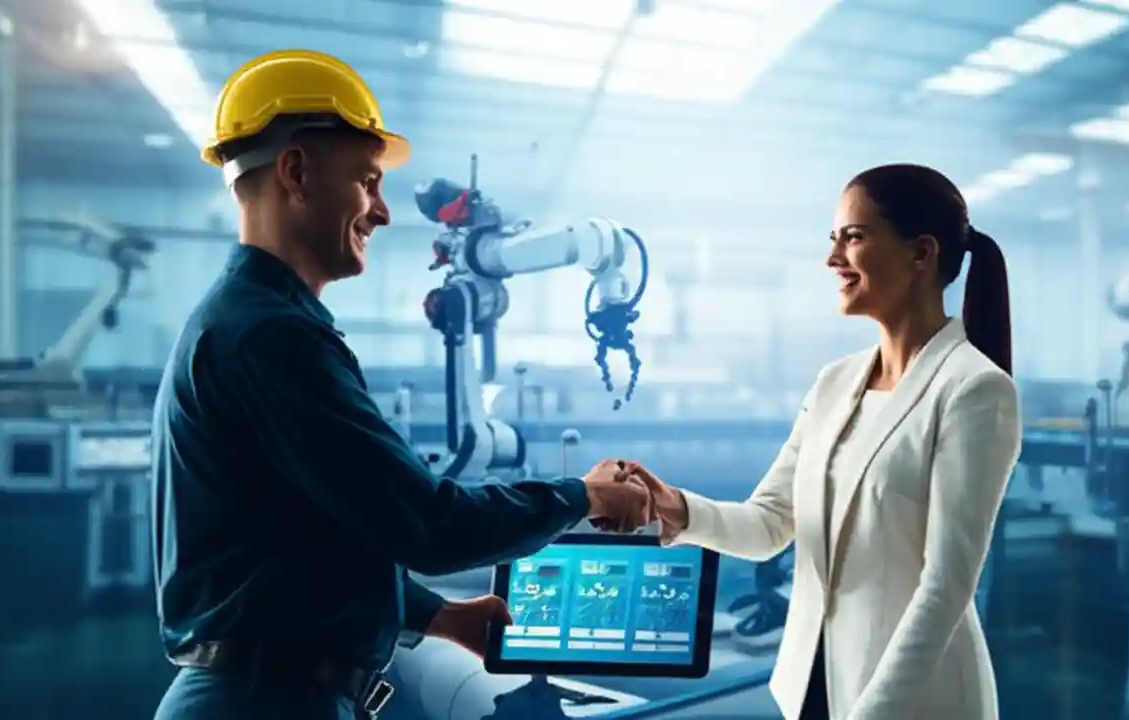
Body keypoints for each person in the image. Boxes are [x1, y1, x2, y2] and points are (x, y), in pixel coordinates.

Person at [149, 49, 653, 720]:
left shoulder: (247, 321)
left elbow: (309, 538)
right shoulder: (271, 337)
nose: (382, 213)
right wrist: (581, 496)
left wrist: (441, 618)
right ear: (297, 172)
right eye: (368, 181)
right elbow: (426, 523)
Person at [623, 164, 1022, 720]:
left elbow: (945, 589)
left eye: (853, 237)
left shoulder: (975, 391)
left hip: (911, 702)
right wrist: (679, 509)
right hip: (812, 689)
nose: (833, 259)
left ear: (921, 254)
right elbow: (768, 524)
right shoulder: (836, 382)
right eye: (833, 239)